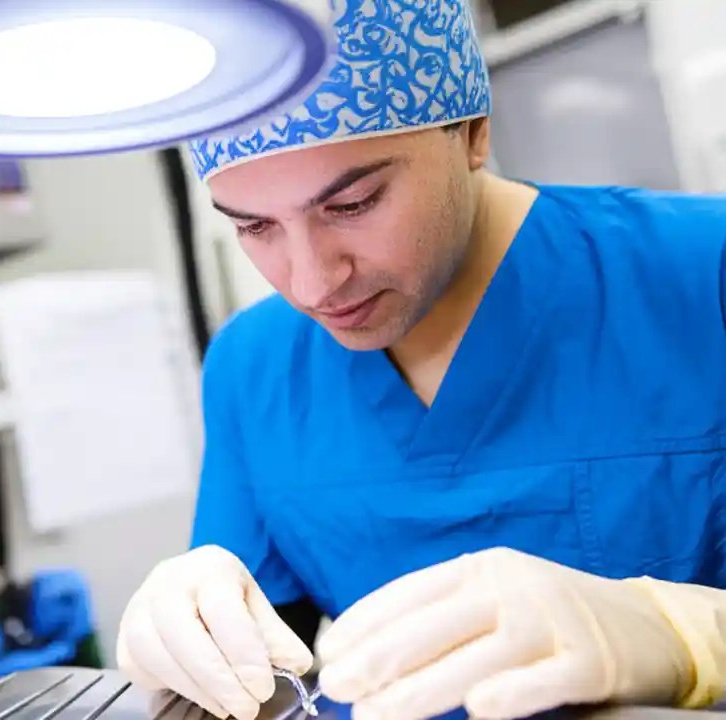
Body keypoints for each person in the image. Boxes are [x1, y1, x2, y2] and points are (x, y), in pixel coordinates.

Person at [115, 1, 726, 720]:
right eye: (255, 227)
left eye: (354, 203)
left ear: (472, 132)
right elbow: (255, 679)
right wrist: (189, 645)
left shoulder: (699, 277)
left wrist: (686, 635)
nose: (311, 283)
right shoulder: (253, 369)